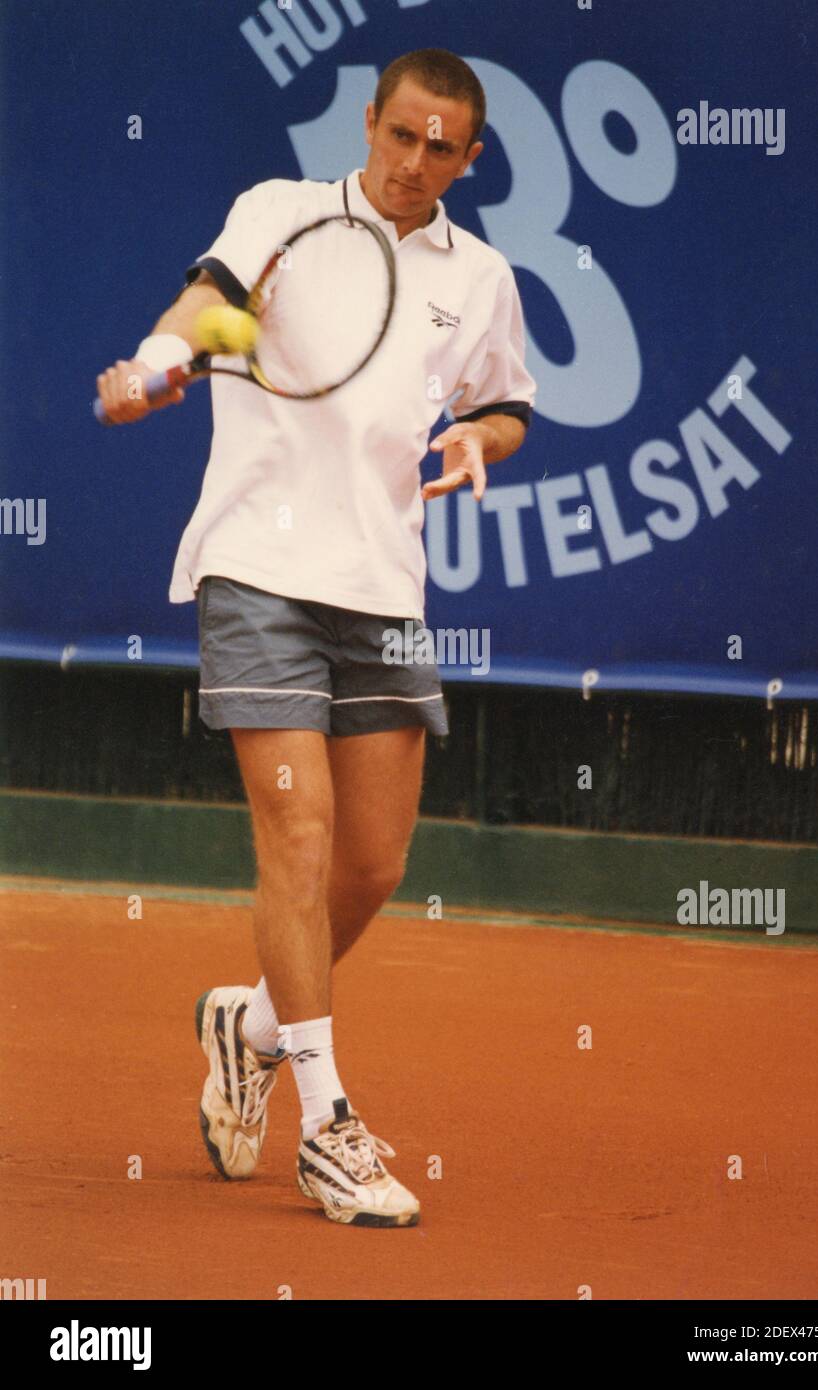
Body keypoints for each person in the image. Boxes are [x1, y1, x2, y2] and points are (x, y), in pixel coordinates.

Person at [95, 48, 536, 1227]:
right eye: (401, 136)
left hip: (383, 590)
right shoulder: (279, 214)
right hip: (258, 569)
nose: (415, 162)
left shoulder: (481, 276)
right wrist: (151, 366)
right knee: (297, 832)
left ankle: (244, 1024)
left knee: (372, 864)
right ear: (371, 123)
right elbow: (205, 307)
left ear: (470, 158)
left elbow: (505, 400)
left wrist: (477, 444)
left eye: (442, 148)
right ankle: (329, 1127)